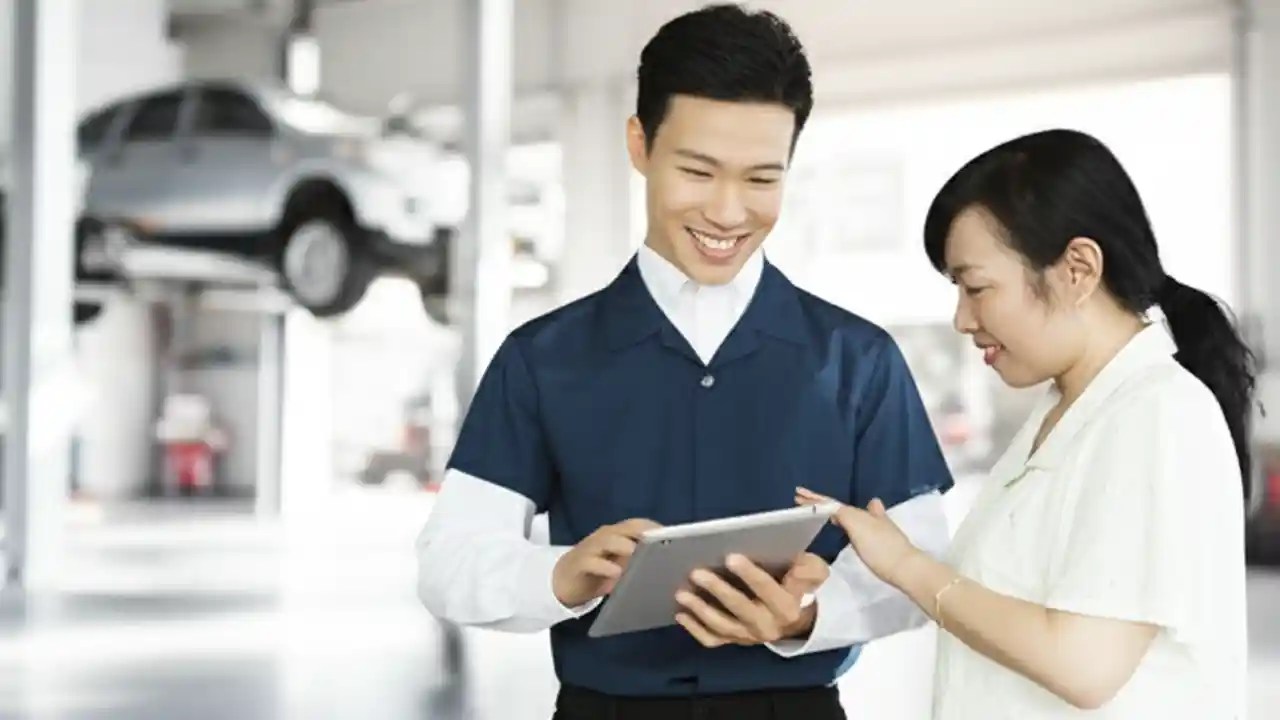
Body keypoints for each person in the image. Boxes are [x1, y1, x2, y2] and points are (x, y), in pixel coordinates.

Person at [415, 4, 954, 719]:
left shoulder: (860, 360)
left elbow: (923, 566)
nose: (729, 212)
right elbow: (448, 564)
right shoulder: (543, 360)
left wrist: (807, 617)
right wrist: (561, 575)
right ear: (639, 144)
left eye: (762, 179)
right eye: (698, 171)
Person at [800, 128, 1253, 718]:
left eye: (978, 287)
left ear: (1078, 269)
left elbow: (1084, 665)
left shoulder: (1155, 413)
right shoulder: (1066, 413)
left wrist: (910, 567)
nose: (962, 319)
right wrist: (857, 577)